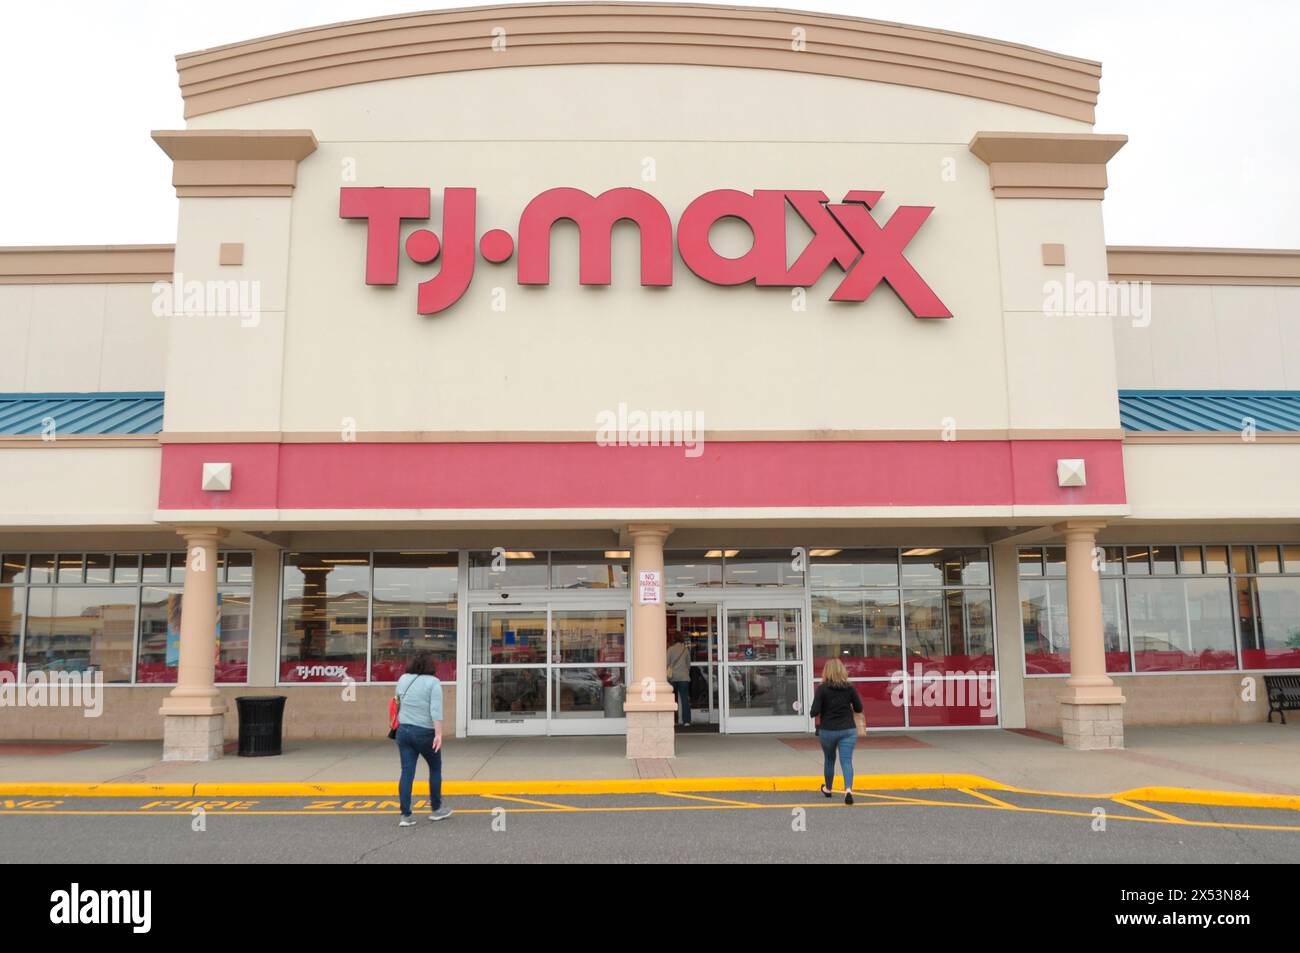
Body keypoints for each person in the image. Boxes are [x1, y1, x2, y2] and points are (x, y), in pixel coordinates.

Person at [393, 652, 453, 826]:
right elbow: (435, 711)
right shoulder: (433, 683)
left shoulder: (403, 679)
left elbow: (397, 701)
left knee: (407, 772)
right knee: (435, 768)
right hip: (425, 732)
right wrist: (439, 734)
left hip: (403, 730)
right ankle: (436, 809)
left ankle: (405, 815)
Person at [808, 658, 863, 805]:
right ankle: (848, 790)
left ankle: (828, 788)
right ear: (842, 670)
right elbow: (859, 708)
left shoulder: (822, 689)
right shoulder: (850, 688)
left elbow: (814, 712)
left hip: (828, 731)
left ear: (826, 671)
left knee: (829, 760)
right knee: (846, 761)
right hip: (848, 730)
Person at [666, 631, 692, 727]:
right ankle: (686, 721)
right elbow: (688, 664)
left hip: (672, 678)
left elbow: (666, 663)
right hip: (684, 677)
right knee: (684, 699)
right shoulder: (685, 650)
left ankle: (672, 720)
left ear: (674, 639)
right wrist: (685, 672)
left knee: (672, 700)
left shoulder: (670, 649)